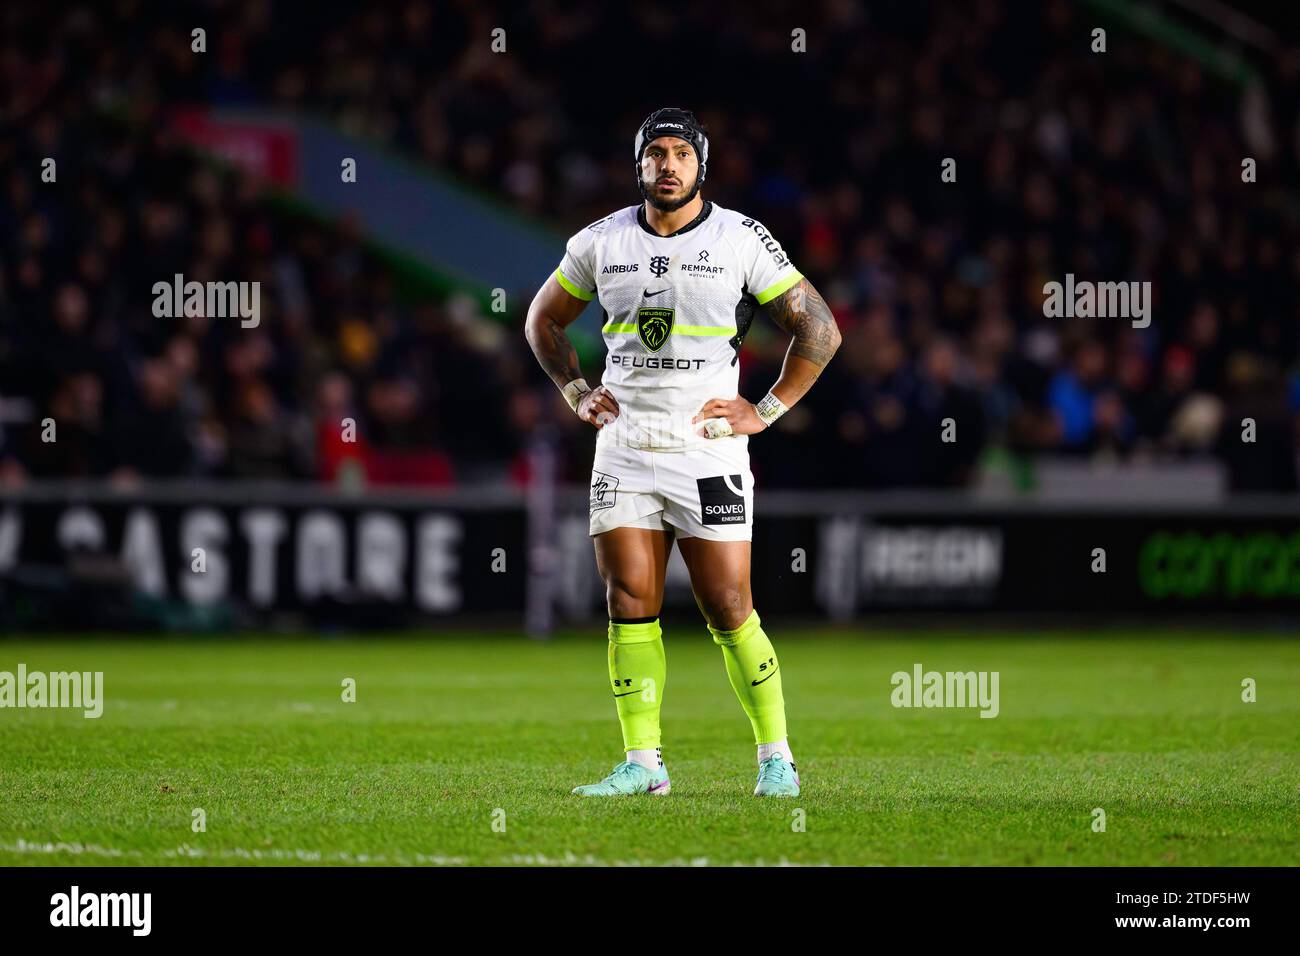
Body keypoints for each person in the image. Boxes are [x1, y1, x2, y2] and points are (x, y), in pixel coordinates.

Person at [524, 108, 841, 797]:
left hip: (708, 447)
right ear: (637, 164)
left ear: (702, 165)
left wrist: (767, 410)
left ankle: (776, 759)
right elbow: (542, 319)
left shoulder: (741, 239)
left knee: (728, 603)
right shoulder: (599, 242)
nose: (668, 166)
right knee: (628, 598)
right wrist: (577, 389)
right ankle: (643, 764)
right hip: (626, 447)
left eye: (681, 155)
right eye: (655, 154)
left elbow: (819, 330)